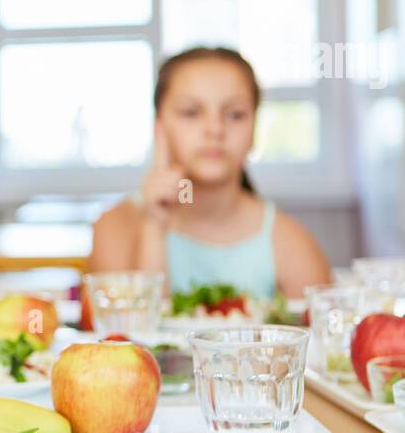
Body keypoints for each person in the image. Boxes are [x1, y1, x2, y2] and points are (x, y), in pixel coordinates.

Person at [90, 46, 331, 298]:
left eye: (234, 114)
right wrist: (153, 227)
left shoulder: (291, 243)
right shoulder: (115, 229)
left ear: (254, 129)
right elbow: (126, 336)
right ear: (159, 127)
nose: (215, 129)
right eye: (191, 112)